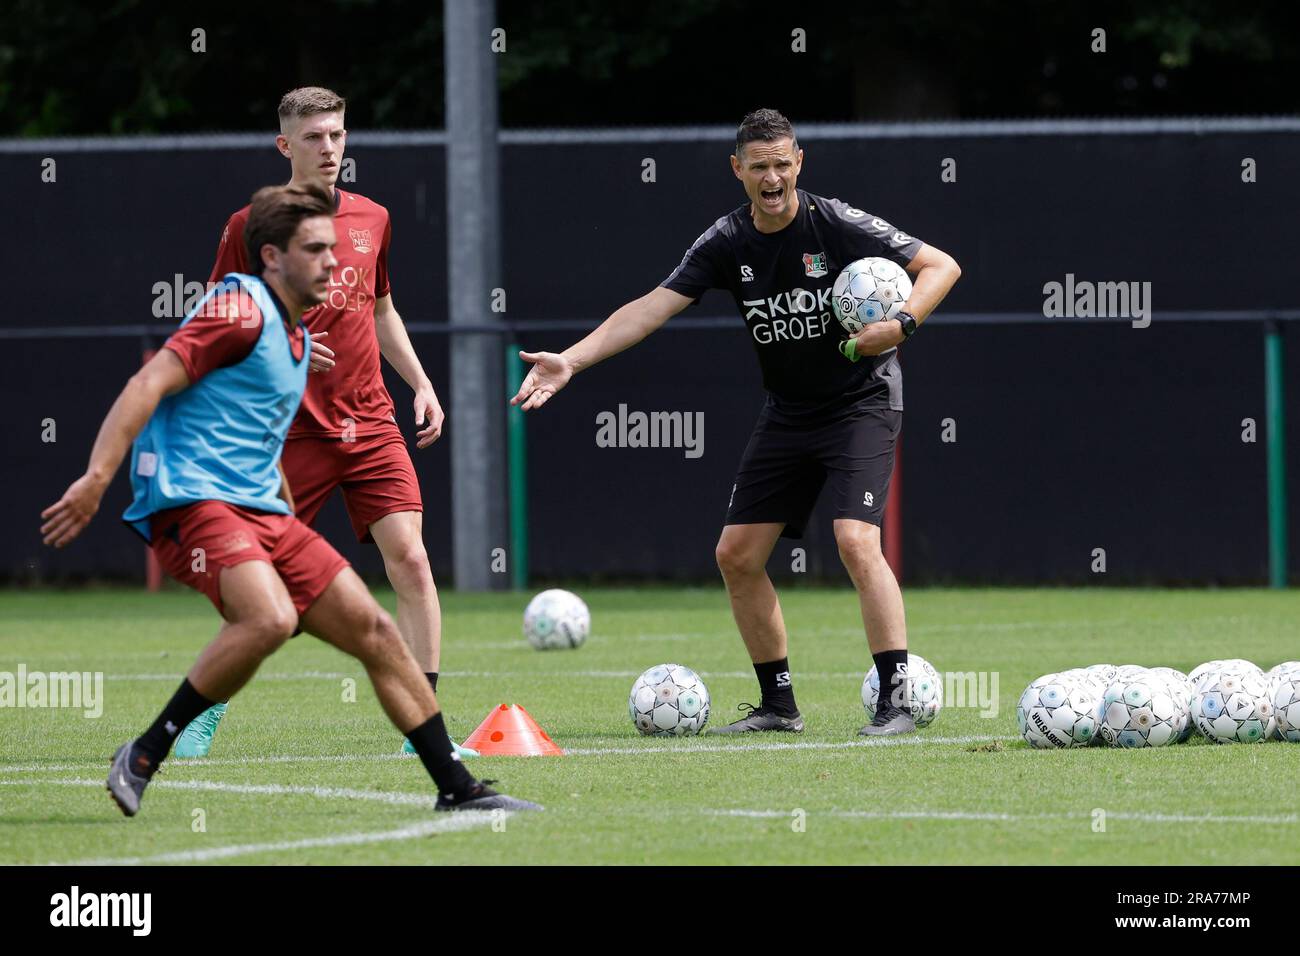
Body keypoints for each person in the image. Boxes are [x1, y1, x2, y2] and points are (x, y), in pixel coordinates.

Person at [40, 184, 537, 815]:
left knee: (376, 630)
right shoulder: (240, 310)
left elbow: (255, 435)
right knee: (271, 618)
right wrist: (95, 479)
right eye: (314, 250)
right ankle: (144, 753)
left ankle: (456, 787)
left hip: (257, 509)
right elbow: (148, 382)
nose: (333, 263)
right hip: (192, 502)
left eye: (332, 248)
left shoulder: (296, 336)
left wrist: (280, 513)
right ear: (271, 257)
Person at [510, 108, 961, 736]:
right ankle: (778, 706)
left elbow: (941, 266)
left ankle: (896, 702)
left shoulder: (834, 222)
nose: (772, 177)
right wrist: (572, 362)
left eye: (782, 163)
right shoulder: (726, 242)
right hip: (788, 411)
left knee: (856, 539)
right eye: (759, 167)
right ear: (738, 171)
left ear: (799, 162)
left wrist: (901, 323)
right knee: (737, 555)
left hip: (862, 400)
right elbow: (648, 309)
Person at [175, 86, 472, 758]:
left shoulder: (374, 219)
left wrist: (422, 383)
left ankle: (426, 734)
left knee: (415, 564)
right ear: (286, 146)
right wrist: (287, 347)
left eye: (337, 135)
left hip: (370, 423)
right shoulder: (250, 225)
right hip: (287, 431)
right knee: (259, 582)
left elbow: (380, 310)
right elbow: (219, 321)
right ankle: (203, 709)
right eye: (313, 138)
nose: (329, 148)